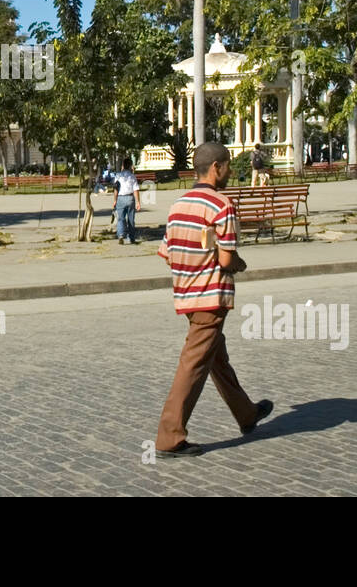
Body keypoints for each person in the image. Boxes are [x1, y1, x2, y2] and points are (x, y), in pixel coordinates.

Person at [154, 142, 273, 457]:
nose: (231, 172)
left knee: (215, 359)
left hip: (186, 296)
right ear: (217, 167)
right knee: (193, 364)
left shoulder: (178, 204)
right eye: (228, 166)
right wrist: (240, 265)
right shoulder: (221, 204)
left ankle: (246, 413)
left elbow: (167, 254)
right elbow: (225, 259)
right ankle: (170, 437)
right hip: (211, 296)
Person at [112, 160, 141, 245]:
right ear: (130, 166)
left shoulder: (118, 176)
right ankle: (131, 238)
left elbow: (116, 189)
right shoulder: (132, 176)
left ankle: (121, 235)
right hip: (130, 198)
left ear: (123, 165)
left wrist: (115, 200)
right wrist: (138, 202)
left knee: (121, 218)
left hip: (120, 198)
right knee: (131, 219)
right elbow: (136, 189)